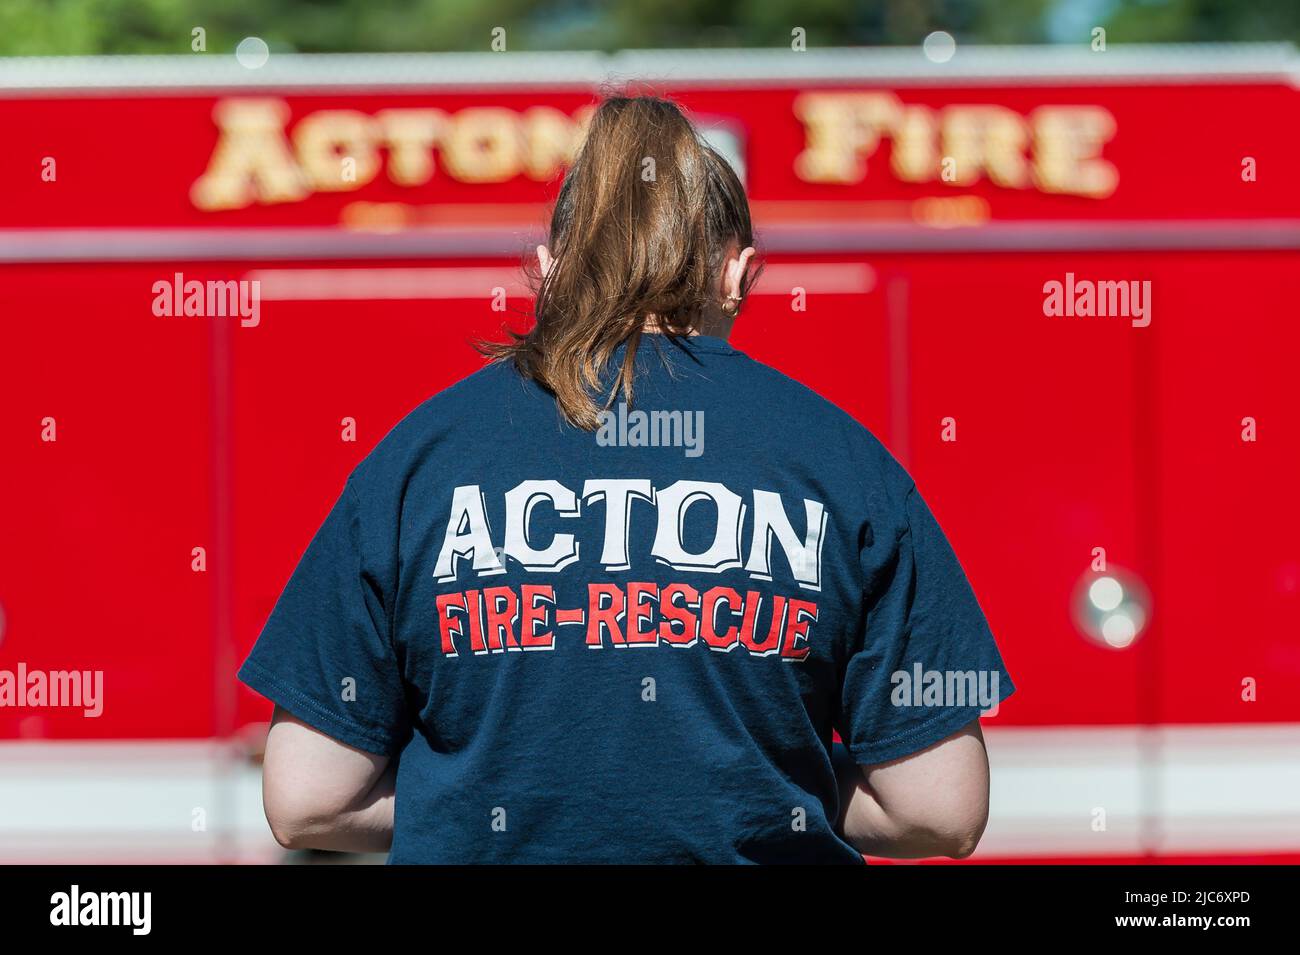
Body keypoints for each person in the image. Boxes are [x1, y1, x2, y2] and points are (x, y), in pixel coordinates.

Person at [238, 95, 1014, 864]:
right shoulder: (845, 463)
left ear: (548, 271)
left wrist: (478, 802)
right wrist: (776, 793)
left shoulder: (415, 460)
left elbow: (309, 797)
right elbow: (937, 809)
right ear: (739, 274)